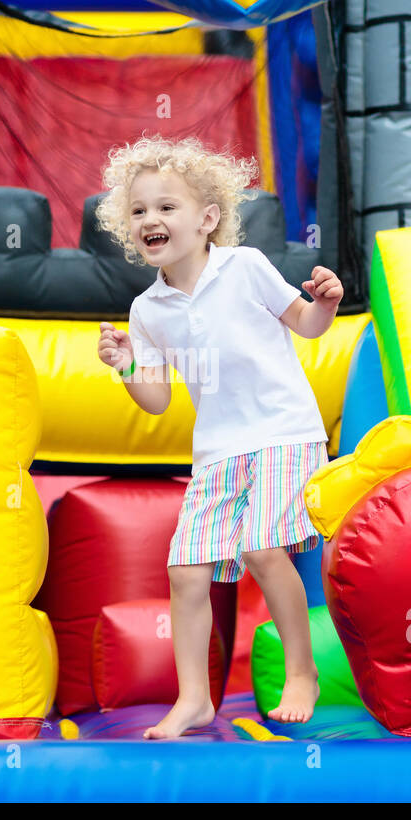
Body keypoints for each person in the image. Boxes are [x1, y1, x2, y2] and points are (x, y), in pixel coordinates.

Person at [94, 135, 344, 739]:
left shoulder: (245, 268)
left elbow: (306, 326)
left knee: (261, 549)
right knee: (185, 571)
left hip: (284, 432)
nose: (150, 219)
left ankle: (302, 671)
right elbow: (156, 402)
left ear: (207, 219)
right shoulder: (147, 309)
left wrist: (328, 302)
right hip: (217, 452)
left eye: (166, 207)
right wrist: (125, 366)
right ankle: (194, 700)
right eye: (138, 211)